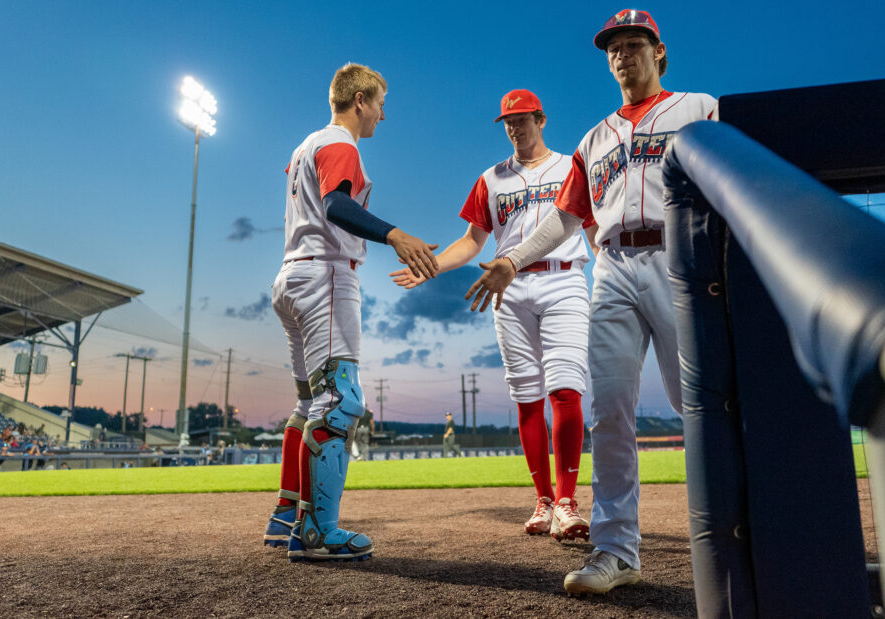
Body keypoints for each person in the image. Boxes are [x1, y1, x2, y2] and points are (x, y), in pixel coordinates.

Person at [466, 9, 717, 595]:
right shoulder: (594, 138)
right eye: (614, 48)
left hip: (681, 259)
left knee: (699, 402)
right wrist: (511, 258)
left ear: (660, 55)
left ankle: (742, 532)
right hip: (611, 267)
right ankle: (615, 550)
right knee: (607, 410)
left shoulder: (700, 109)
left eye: (635, 44)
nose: (623, 55)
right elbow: (566, 218)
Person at [393, 89, 593, 541]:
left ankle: (567, 501)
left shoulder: (569, 166)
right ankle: (543, 501)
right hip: (509, 286)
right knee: (526, 393)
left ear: (541, 119)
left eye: (523, 119)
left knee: (565, 385)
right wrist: (432, 265)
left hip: (563, 278)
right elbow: (472, 241)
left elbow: (590, 224)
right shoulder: (492, 178)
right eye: (508, 121)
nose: (515, 128)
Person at [263, 62, 438, 563]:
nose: (383, 114)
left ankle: (286, 516)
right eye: (380, 103)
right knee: (340, 402)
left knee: (307, 405)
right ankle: (317, 532)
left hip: (290, 277)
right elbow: (338, 205)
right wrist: (396, 235)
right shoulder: (341, 144)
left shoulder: (305, 146)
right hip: (326, 275)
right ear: (360, 100)